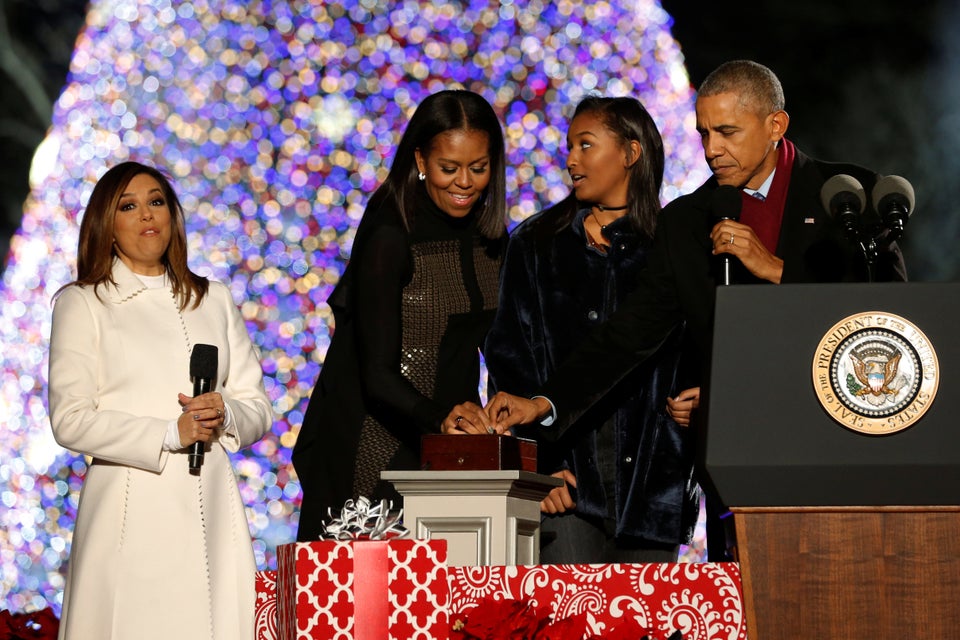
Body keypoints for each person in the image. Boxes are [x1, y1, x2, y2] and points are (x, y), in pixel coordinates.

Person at [484, 60, 907, 544]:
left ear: (776, 125)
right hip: (737, 463)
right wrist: (544, 402)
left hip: (845, 449)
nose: (711, 150)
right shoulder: (687, 222)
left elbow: (890, 317)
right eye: (704, 133)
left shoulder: (850, 198)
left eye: (727, 132)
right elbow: (632, 332)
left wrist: (777, 270)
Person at [48, 162, 273, 639]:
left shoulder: (213, 298)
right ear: (106, 226)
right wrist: (169, 434)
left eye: (156, 201)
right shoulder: (83, 302)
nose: (147, 215)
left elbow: (257, 407)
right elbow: (70, 419)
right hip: (131, 502)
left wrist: (224, 412)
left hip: (211, 499)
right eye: (128, 206)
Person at [483, 96, 700, 563]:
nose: (571, 159)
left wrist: (705, 396)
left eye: (586, 144)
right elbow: (508, 361)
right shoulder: (536, 244)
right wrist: (536, 468)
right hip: (565, 491)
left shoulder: (672, 245)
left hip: (651, 495)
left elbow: (701, 347)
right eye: (570, 146)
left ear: (630, 153)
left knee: (645, 631)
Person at [292, 89, 507, 541]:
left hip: (451, 451)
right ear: (421, 161)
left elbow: (501, 344)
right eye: (449, 168)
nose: (465, 182)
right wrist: (439, 418)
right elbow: (376, 373)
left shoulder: (493, 236)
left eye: (479, 167)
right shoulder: (392, 230)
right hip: (374, 442)